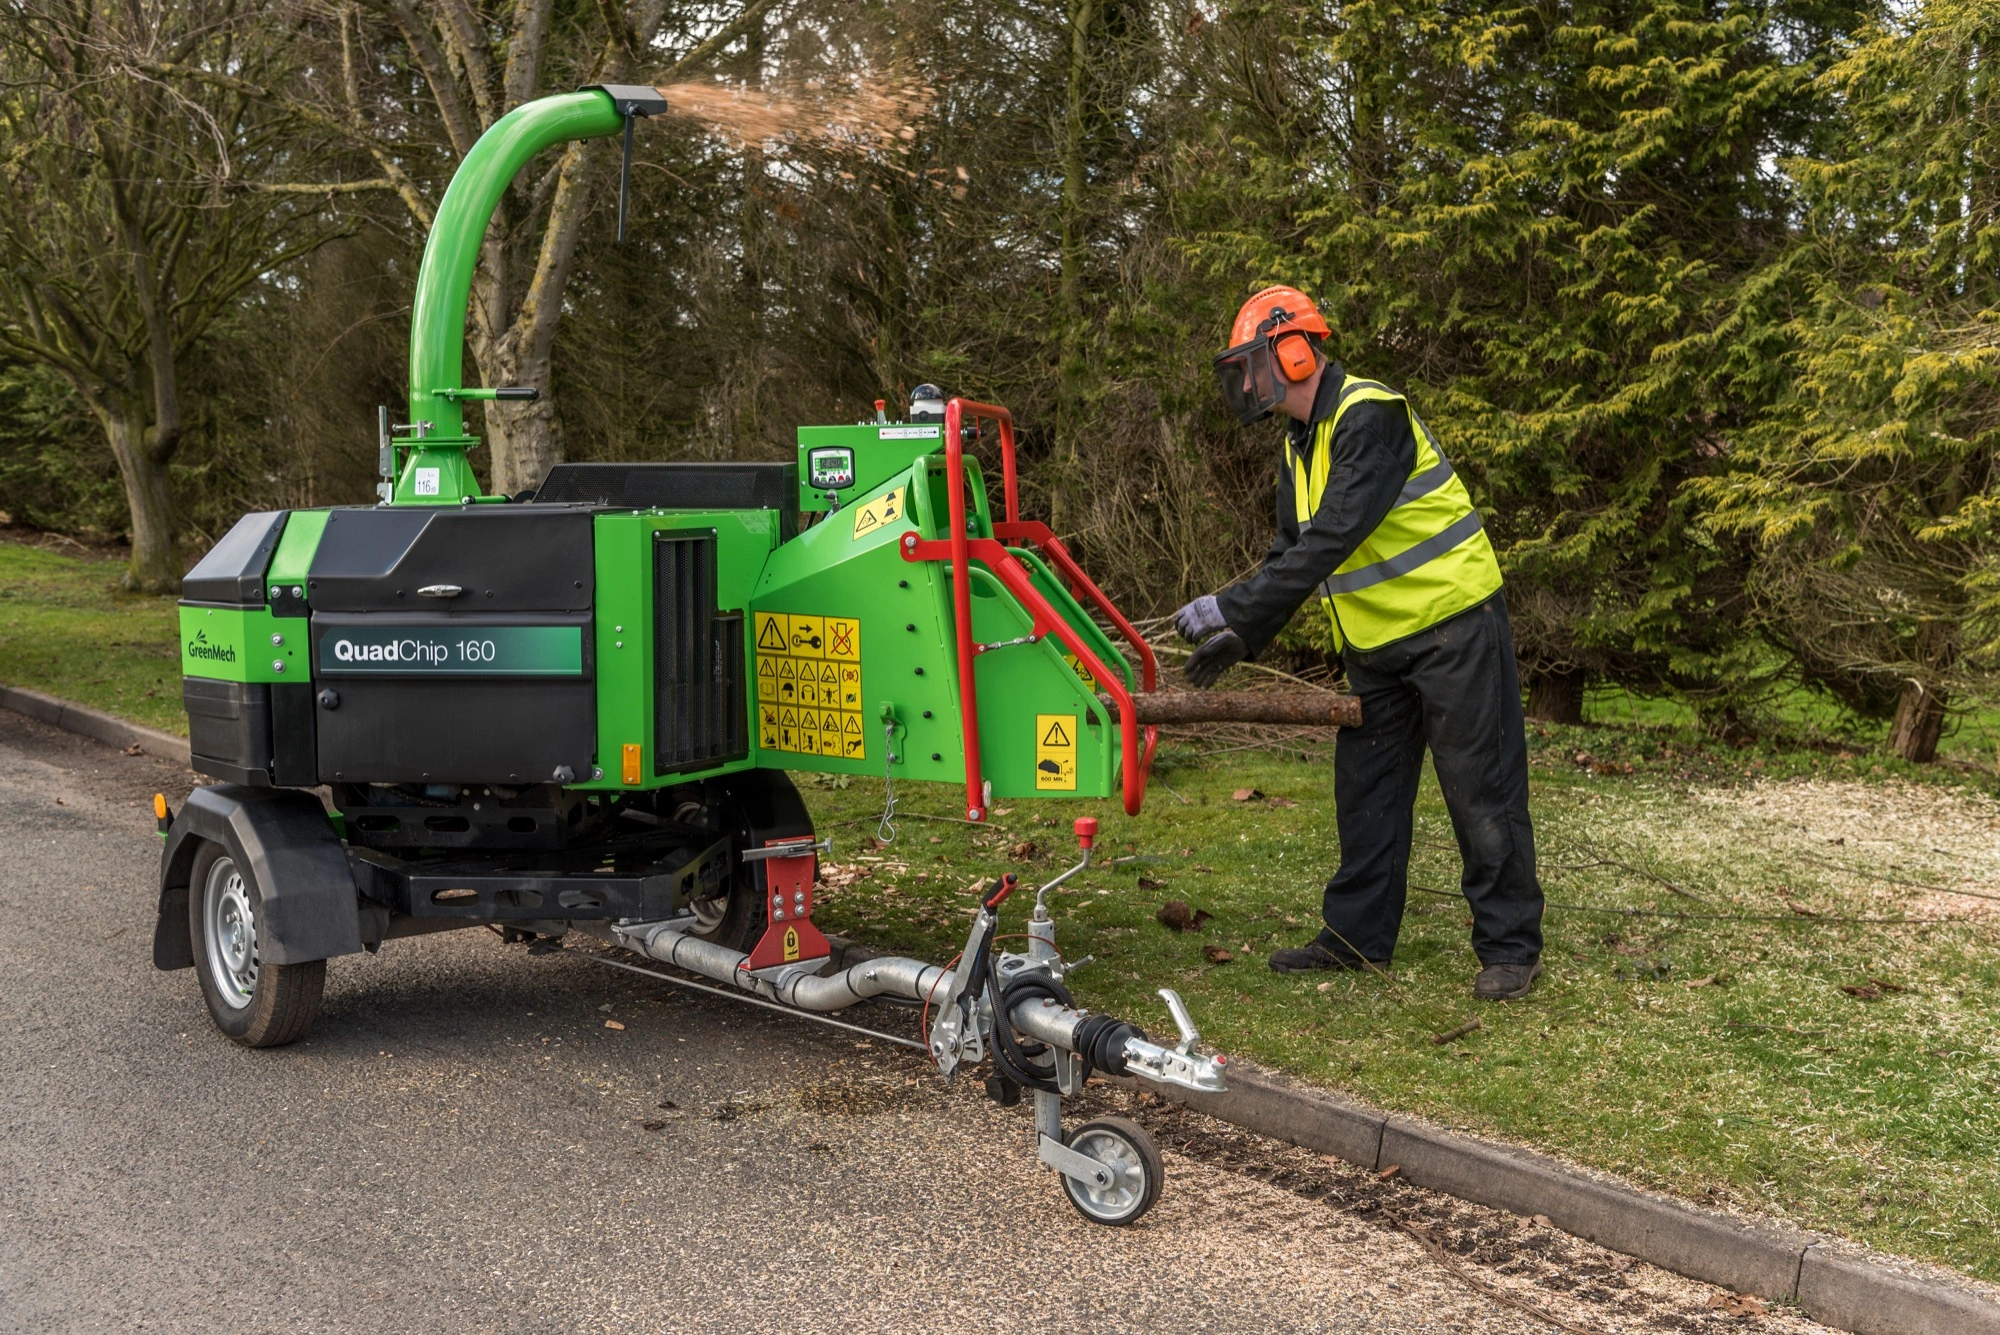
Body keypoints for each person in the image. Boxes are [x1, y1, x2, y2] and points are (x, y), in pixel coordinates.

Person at [1176, 286, 1546, 1000]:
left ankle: (1510, 947)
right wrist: (1242, 631)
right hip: (1377, 646)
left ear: (1293, 350)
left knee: (1482, 793)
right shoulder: (1299, 445)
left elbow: (1335, 533)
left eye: (1254, 364)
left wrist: (1230, 603)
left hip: (1453, 626)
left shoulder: (1368, 415)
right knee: (1366, 796)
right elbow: (1293, 550)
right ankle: (1355, 938)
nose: (1247, 382)